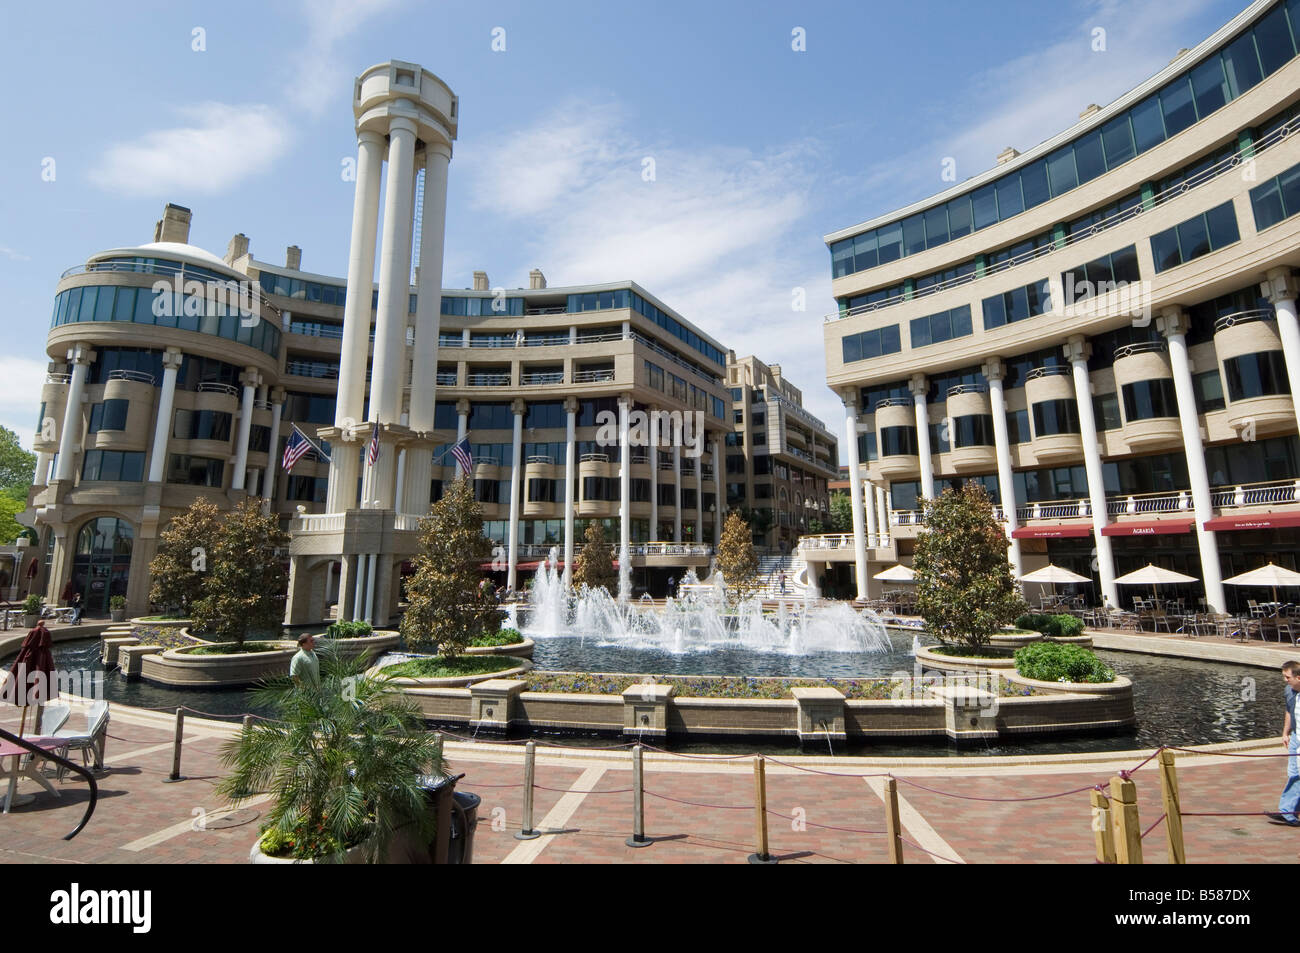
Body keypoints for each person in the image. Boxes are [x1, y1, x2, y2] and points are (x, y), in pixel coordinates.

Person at [1269, 660, 1300, 826]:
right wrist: (1285, 732)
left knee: (1297, 776)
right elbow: (1289, 711)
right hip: (1295, 737)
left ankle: (1288, 812)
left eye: (1287, 677)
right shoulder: (1289, 690)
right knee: (1293, 773)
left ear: (1298, 677)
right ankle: (1289, 811)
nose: (1285, 680)